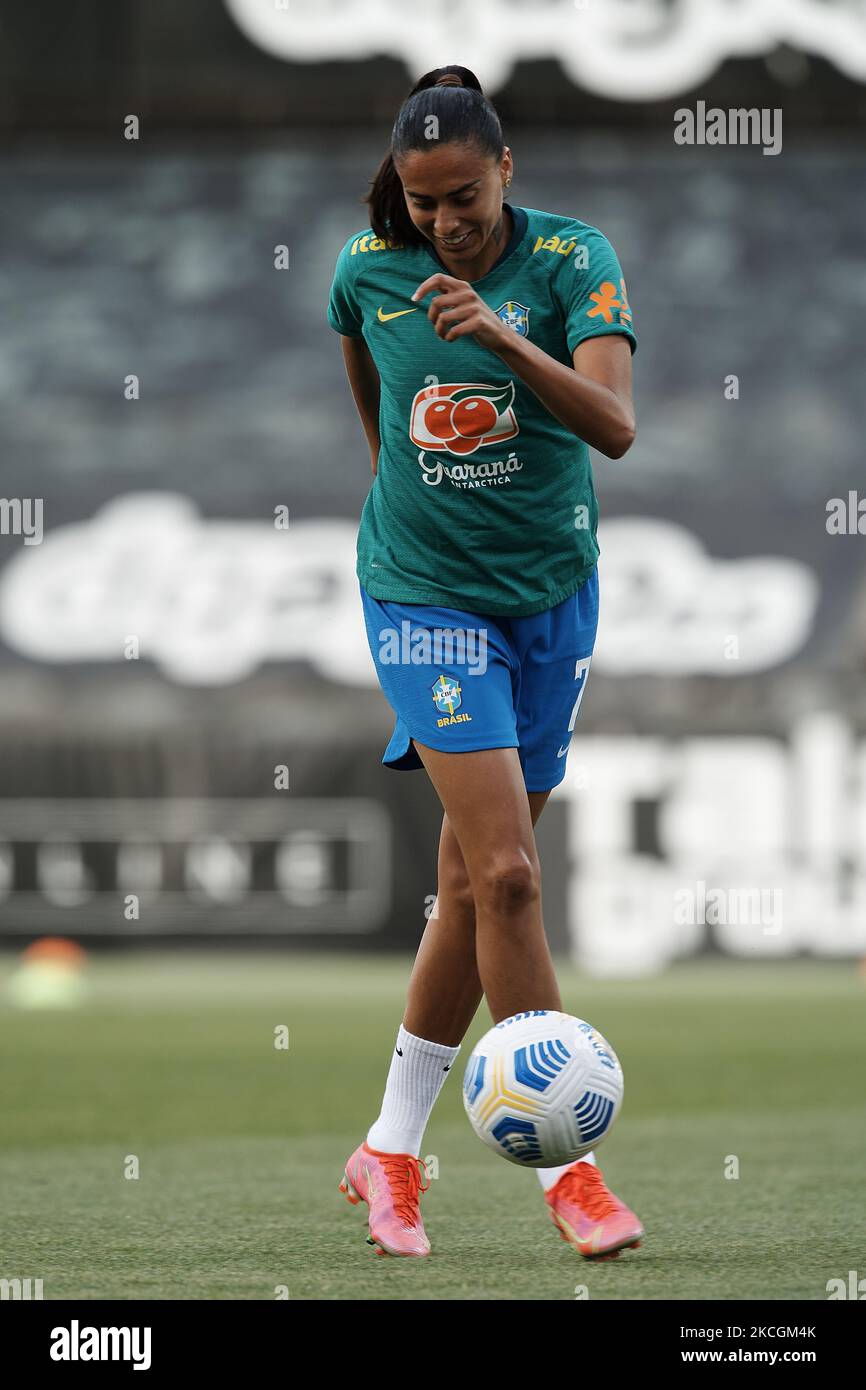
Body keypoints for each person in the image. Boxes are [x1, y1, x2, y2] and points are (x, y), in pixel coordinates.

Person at [328, 64, 642, 1260]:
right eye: (423, 206)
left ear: (504, 169)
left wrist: (501, 335)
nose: (444, 224)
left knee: (468, 885)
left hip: (549, 597)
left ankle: (389, 1151)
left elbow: (613, 427)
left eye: (462, 196)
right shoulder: (368, 272)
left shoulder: (571, 262)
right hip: (424, 599)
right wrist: (407, 519)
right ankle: (572, 1175)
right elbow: (371, 399)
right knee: (508, 872)